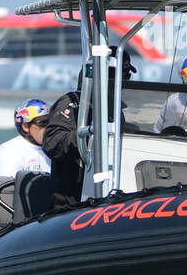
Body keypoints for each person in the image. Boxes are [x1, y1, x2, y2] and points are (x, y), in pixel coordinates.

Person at [43, 49, 138, 206]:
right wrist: (89, 135)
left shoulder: (116, 109)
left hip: (106, 195)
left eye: (126, 76)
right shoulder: (72, 103)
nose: (125, 81)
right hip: (70, 201)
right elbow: (52, 143)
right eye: (123, 75)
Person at [0, 99, 52, 177]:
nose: (49, 127)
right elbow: (9, 188)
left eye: (51, 122)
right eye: (43, 123)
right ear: (25, 126)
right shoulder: (10, 152)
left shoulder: (54, 149)